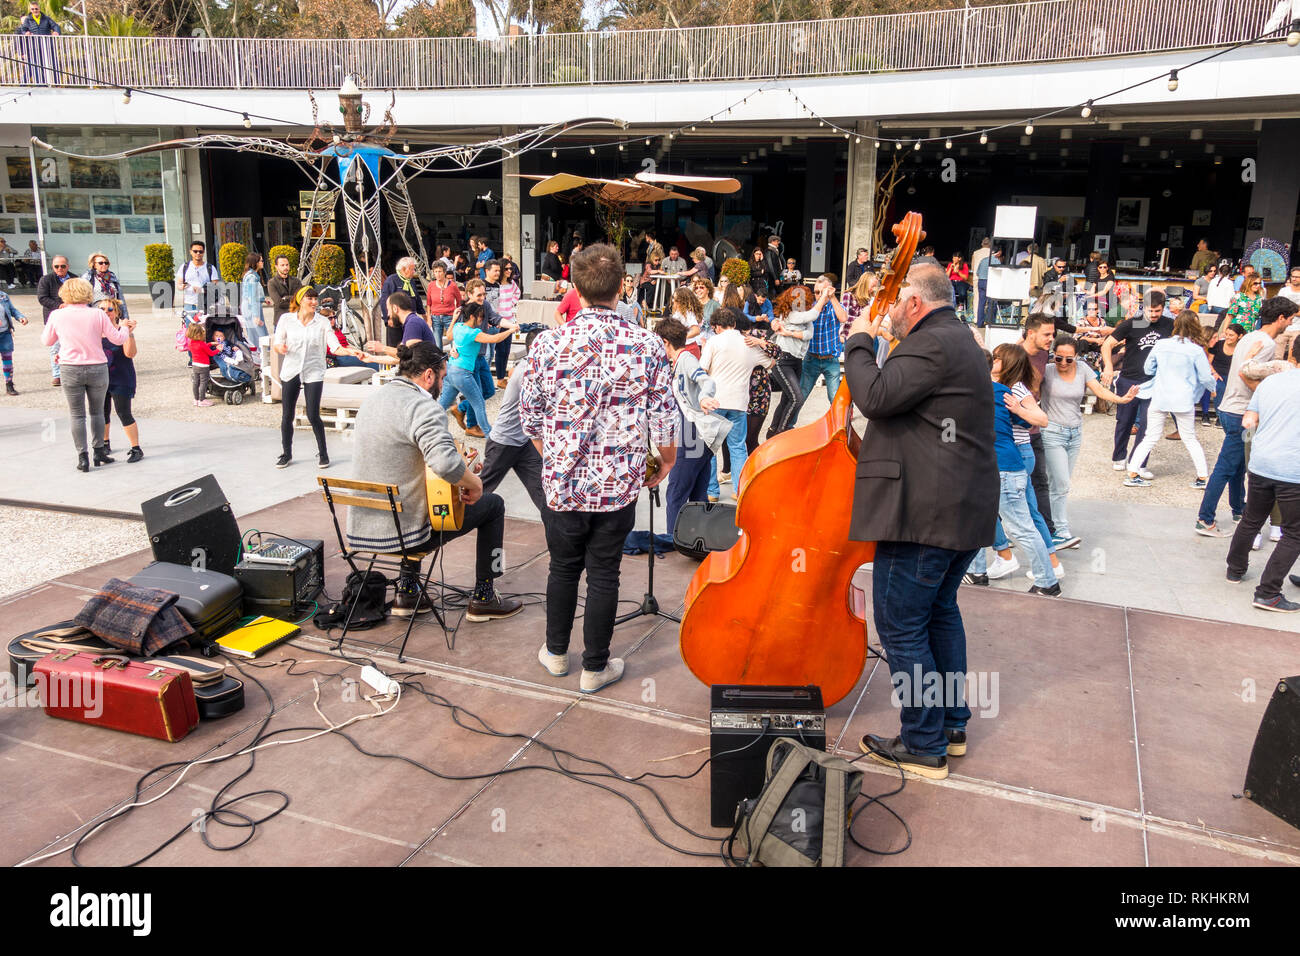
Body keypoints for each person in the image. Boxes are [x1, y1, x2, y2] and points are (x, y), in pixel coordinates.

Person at [843, 258, 999, 779]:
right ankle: (950, 725)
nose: (888, 314)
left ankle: (923, 742)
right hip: (959, 509)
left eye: (894, 305)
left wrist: (861, 340)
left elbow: (877, 395)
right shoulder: (962, 341)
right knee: (938, 614)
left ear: (915, 303)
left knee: (901, 625)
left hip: (925, 514)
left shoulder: (931, 342)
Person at [521, 243, 677, 694]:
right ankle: (595, 666)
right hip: (617, 483)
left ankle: (555, 653)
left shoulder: (549, 342)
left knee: (563, 568)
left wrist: (554, 454)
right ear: (621, 286)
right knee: (605, 571)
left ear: (575, 287)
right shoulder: (646, 343)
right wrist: (665, 461)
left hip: (564, 482)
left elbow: (530, 418)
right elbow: (665, 417)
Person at [347, 340, 522, 621]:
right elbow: (444, 465)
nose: (443, 384)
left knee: (411, 498)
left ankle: (408, 590)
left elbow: (401, 456)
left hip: (363, 528)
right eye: (442, 377)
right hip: (404, 534)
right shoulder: (422, 406)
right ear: (428, 375)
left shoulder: (373, 400)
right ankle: (484, 596)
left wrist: (454, 459)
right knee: (494, 505)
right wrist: (474, 482)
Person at [1196, 297, 1299, 536]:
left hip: (1230, 407)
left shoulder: (1251, 337)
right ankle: (1205, 518)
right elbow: (1246, 373)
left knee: (1241, 464)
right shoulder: (1267, 343)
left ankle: (1238, 509)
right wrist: (1267, 397)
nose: (1291, 323)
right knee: (1226, 466)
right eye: (1291, 318)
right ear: (1281, 318)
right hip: (1241, 411)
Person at [1039, 335, 1137, 546]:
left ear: (1077, 356)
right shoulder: (1047, 371)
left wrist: (1121, 399)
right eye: (1058, 358)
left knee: (1055, 482)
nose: (1063, 363)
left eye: (1068, 359)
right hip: (1051, 431)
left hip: (1075, 431)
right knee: (1061, 483)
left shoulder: (1083, 369)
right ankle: (1060, 530)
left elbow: (1099, 390)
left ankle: (1045, 525)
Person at [1224, 336, 1300, 612]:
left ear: (1293, 354)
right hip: (1293, 470)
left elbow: (1249, 419)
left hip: (1262, 462)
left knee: (1251, 518)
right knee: (1294, 533)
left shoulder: (1270, 382)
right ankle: (1268, 592)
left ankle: (1234, 569)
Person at [40, 278, 133, 471]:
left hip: (70, 367)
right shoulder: (97, 314)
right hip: (97, 366)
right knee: (97, 412)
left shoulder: (57, 315)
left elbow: (47, 340)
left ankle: (82, 456)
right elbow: (117, 338)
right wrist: (124, 327)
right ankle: (99, 450)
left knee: (77, 414)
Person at [1122, 311, 1214, 488]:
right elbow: (1205, 376)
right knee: (1190, 438)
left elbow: (1148, 369)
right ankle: (1202, 477)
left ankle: (1132, 473)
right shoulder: (1195, 350)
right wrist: (1213, 388)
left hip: (1160, 395)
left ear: (1176, 324)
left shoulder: (1161, 344)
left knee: (1149, 437)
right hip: (1183, 399)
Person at [655, 317, 727, 533]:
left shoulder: (685, 359)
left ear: (666, 342)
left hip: (693, 433)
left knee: (676, 491)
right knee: (698, 493)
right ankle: (698, 541)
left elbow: (706, 381)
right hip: (699, 434)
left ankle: (673, 539)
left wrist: (704, 397)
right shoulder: (679, 361)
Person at [700, 308, 775, 499]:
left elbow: (702, 370)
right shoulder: (748, 343)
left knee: (711, 448)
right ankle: (738, 489)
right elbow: (771, 363)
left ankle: (712, 491)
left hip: (715, 400)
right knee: (738, 447)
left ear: (716, 327)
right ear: (734, 324)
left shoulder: (713, 342)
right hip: (739, 402)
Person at [1101, 290, 1173, 475]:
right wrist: (1108, 367)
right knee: (1124, 422)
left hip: (1155, 382)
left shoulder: (1171, 325)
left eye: (1157, 311)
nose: (1154, 315)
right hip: (1129, 379)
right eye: (1150, 311)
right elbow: (1107, 344)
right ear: (1144, 308)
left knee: (1148, 426)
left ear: (1163, 308)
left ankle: (1139, 462)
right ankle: (1119, 456)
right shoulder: (1132, 323)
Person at [478, 332, 547, 515]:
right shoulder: (527, 371)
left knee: (544, 493)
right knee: (479, 492)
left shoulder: (536, 367)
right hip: (504, 442)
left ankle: (559, 541)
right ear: (535, 349)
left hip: (524, 443)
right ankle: (446, 529)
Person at [272, 286, 333, 469]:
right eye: (310, 299)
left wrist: (348, 351)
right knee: (287, 415)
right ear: (300, 300)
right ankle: (286, 453)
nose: (314, 302)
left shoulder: (322, 322)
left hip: (313, 370)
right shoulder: (286, 319)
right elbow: (277, 342)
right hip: (291, 370)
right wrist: (280, 348)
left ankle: (323, 454)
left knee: (314, 414)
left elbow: (333, 344)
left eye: (316, 299)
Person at [437, 301, 513, 439]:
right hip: (462, 374)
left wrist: (454, 318)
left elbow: (448, 336)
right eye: (481, 316)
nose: (482, 319)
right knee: (478, 403)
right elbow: (494, 338)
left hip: (450, 370)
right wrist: (511, 330)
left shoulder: (459, 326)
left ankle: (425, 427)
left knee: (441, 406)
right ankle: (491, 436)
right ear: (472, 316)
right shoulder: (473, 333)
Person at [96, 299, 142, 462]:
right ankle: (105, 443)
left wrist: (128, 332)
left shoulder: (121, 331)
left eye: (110, 309)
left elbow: (130, 354)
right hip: (100, 379)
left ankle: (136, 448)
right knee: (102, 413)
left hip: (122, 377)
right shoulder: (94, 332)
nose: (106, 312)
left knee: (123, 412)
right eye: (101, 309)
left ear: (117, 312)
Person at [799, 274, 849, 403]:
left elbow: (843, 318)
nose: (819, 295)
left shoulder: (835, 306)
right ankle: (789, 424)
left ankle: (840, 424)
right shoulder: (811, 307)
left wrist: (831, 297)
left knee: (835, 398)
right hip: (811, 359)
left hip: (831, 360)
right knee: (801, 396)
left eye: (823, 292)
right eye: (816, 292)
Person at [37, 253, 71, 385]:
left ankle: (69, 371)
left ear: (67, 266)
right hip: (53, 318)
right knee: (55, 347)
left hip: (71, 318)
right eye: (56, 266)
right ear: (53, 267)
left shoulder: (74, 278)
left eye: (63, 266)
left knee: (71, 345)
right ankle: (57, 375)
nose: (60, 269)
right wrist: (59, 306)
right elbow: (42, 298)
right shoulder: (46, 280)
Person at [378, 257, 426, 348]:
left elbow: (416, 297)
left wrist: (423, 313)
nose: (414, 271)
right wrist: (387, 318)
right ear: (404, 269)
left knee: (409, 346)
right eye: (412, 269)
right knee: (394, 347)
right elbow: (384, 301)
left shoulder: (410, 281)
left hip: (409, 319)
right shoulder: (391, 280)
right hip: (395, 319)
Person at [176, 241, 220, 322]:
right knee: (190, 331)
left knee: (205, 331)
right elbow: (178, 285)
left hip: (206, 305)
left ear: (203, 252)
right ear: (190, 252)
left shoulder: (210, 268)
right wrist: (181, 286)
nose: (198, 253)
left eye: (201, 251)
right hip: (189, 304)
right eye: (195, 251)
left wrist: (202, 290)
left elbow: (216, 287)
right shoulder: (184, 267)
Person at [17, 2, 59, 85]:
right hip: (33, 47)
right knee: (35, 65)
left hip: (46, 46)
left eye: (36, 9)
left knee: (47, 64)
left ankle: (52, 83)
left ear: (39, 9)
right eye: (33, 9)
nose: (35, 10)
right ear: (30, 10)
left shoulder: (46, 18)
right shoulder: (28, 20)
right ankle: (40, 84)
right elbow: (23, 29)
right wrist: (26, 32)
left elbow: (55, 26)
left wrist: (56, 32)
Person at [239, 252, 269, 361]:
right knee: (260, 333)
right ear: (255, 263)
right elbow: (252, 297)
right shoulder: (252, 277)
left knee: (253, 332)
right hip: (252, 307)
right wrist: (256, 316)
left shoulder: (250, 275)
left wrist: (263, 299)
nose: (262, 262)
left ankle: (257, 357)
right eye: (260, 260)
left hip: (249, 306)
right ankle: (263, 357)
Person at [424, 260, 461, 346]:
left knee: (454, 343)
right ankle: (440, 360)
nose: (438, 274)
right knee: (437, 344)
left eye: (440, 271)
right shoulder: (431, 285)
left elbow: (459, 302)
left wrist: (457, 316)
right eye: (435, 272)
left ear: (444, 272)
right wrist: (428, 318)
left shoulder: (452, 285)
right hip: (435, 318)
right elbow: (429, 303)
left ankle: (453, 359)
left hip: (450, 317)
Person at [82, 252, 128, 319]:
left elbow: (120, 298)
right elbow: (83, 299)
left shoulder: (111, 276)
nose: (104, 264)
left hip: (112, 314)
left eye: (106, 263)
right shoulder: (87, 277)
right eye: (100, 263)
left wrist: (125, 318)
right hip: (95, 315)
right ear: (94, 265)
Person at [0, 286, 28, 395]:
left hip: (5, 333)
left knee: (7, 361)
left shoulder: (3, 296)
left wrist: (20, 317)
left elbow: (12, 310)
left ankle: (9, 384)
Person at [183, 322, 218, 407]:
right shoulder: (202, 344)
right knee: (203, 383)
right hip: (204, 366)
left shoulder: (191, 342)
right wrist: (218, 349)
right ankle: (202, 400)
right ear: (198, 335)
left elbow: (202, 348)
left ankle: (196, 399)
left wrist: (210, 344)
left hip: (195, 365)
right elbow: (211, 353)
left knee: (196, 382)